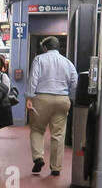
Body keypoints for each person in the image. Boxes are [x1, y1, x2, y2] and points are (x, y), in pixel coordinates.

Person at [26, 36, 77, 176]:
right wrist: (70, 97)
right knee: (58, 135)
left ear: (45, 48)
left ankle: (38, 158)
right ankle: (56, 168)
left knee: (37, 129)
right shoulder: (68, 62)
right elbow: (74, 81)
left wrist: (29, 97)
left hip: (42, 98)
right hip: (62, 99)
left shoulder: (39, 59)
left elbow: (33, 78)